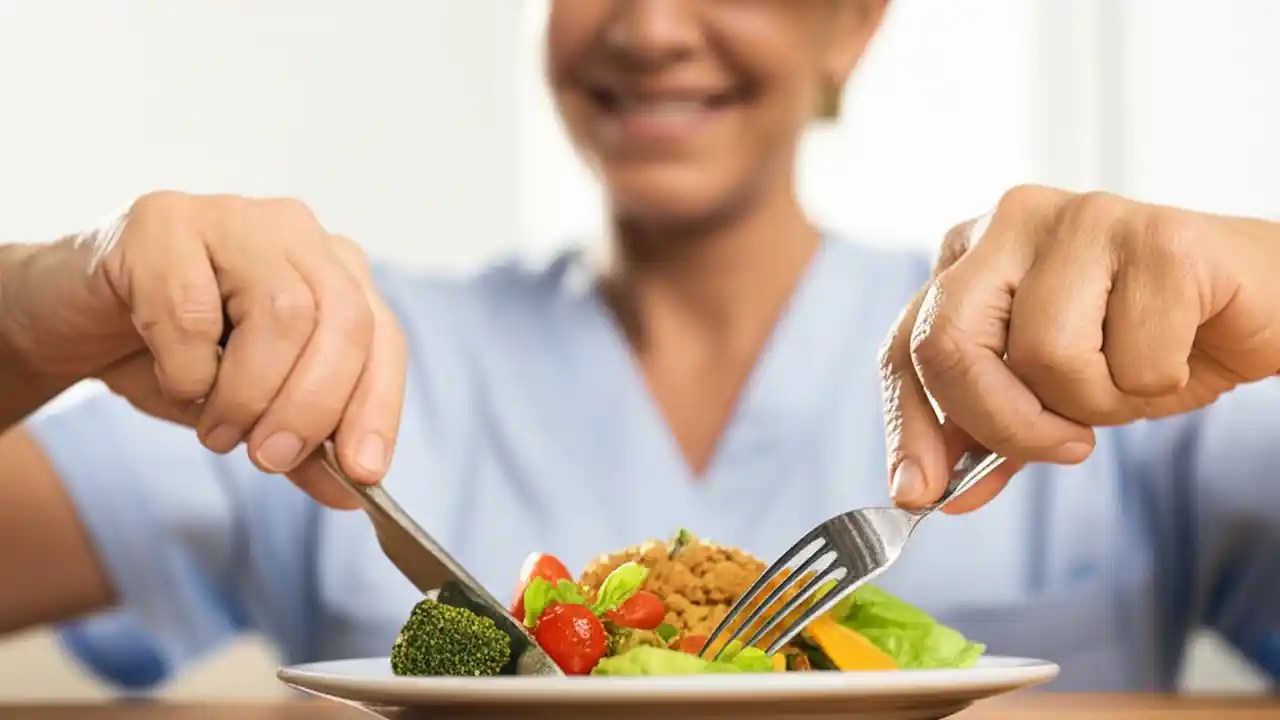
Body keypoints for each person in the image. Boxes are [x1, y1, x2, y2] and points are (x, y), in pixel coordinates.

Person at [0, 0, 1276, 692]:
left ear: (853, 23)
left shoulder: (1096, 356)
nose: (653, 23)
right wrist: (25, 309)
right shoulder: (326, 362)